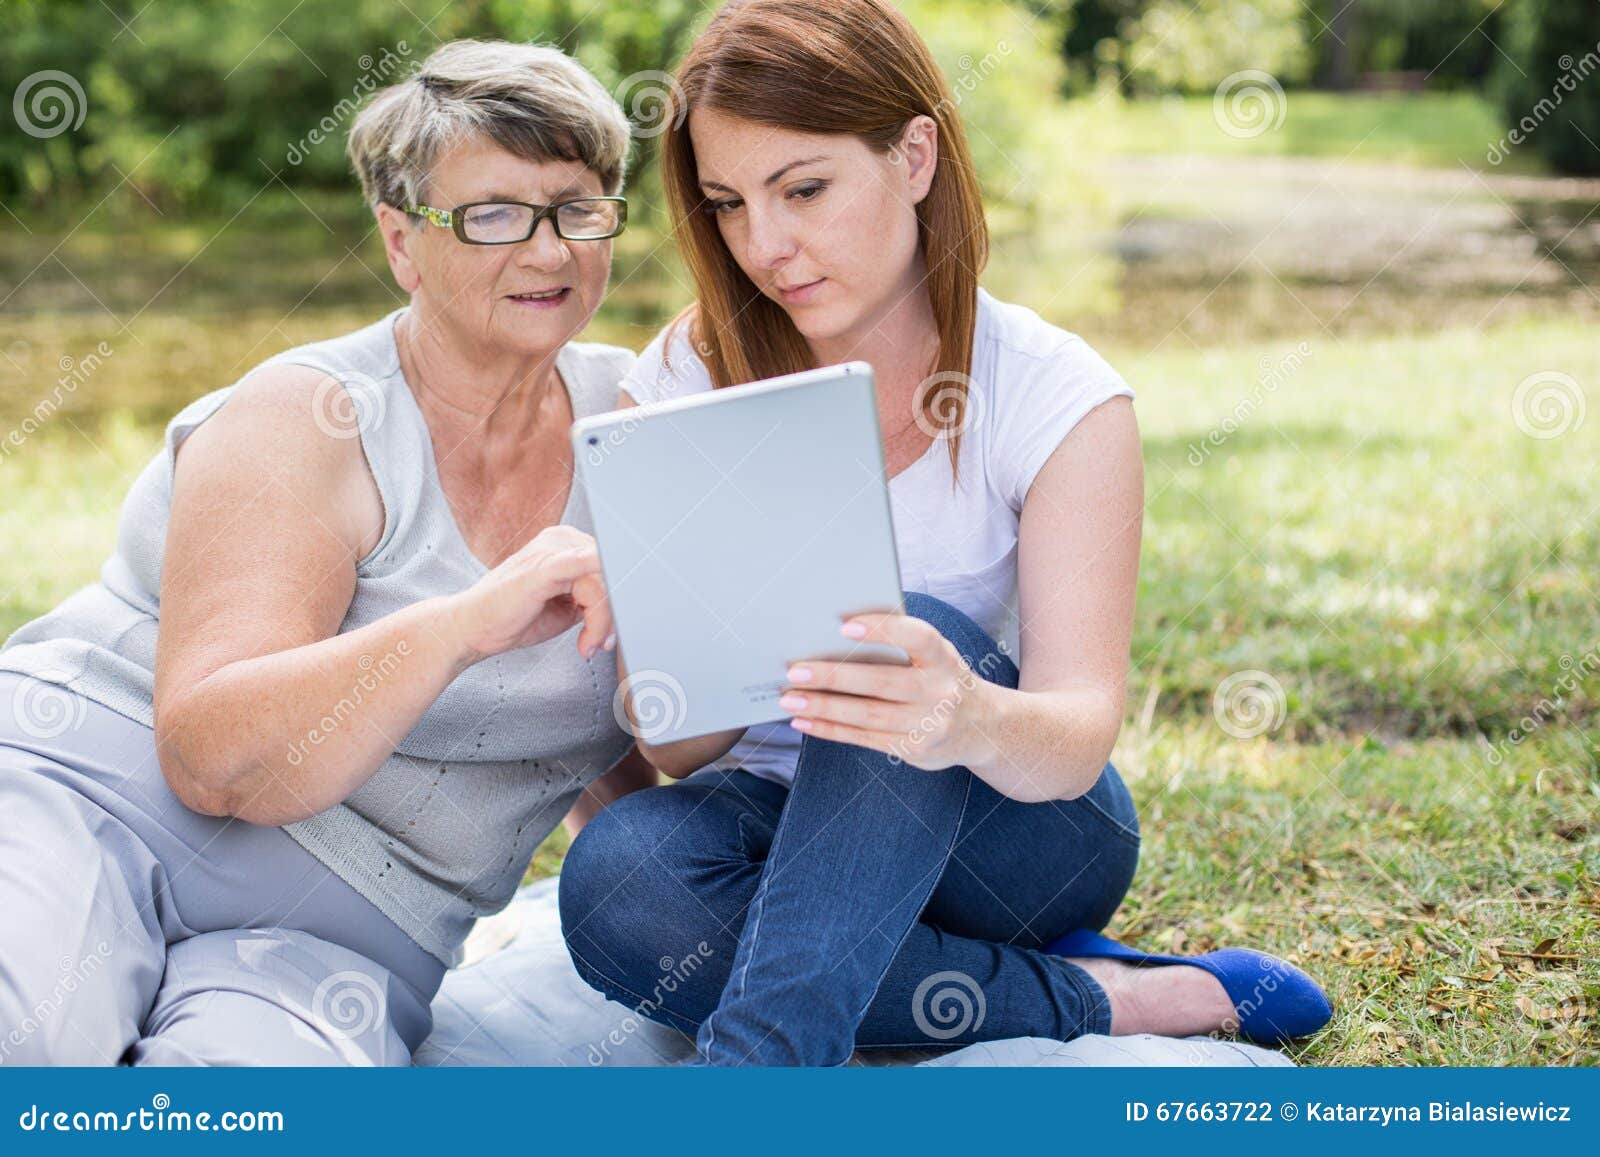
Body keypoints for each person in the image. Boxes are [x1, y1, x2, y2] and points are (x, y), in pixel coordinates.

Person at [559, 0, 1333, 1065]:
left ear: (914, 154)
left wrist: (958, 711)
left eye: (805, 188)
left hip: (1013, 829)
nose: (765, 245)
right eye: (730, 204)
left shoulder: (1057, 396)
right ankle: (1105, 997)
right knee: (618, 882)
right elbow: (676, 748)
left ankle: (758, 1074)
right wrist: (667, 610)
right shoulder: (686, 380)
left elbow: (1076, 729)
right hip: (776, 827)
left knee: (896, 635)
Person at [0, 39, 653, 1066]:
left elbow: (627, 727)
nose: (548, 250)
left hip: (342, 935)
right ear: (401, 241)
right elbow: (216, 761)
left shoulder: (650, 423)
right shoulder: (310, 413)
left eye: (577, 207)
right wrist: (461, 625)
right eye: (491, 215)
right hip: (97, 801)